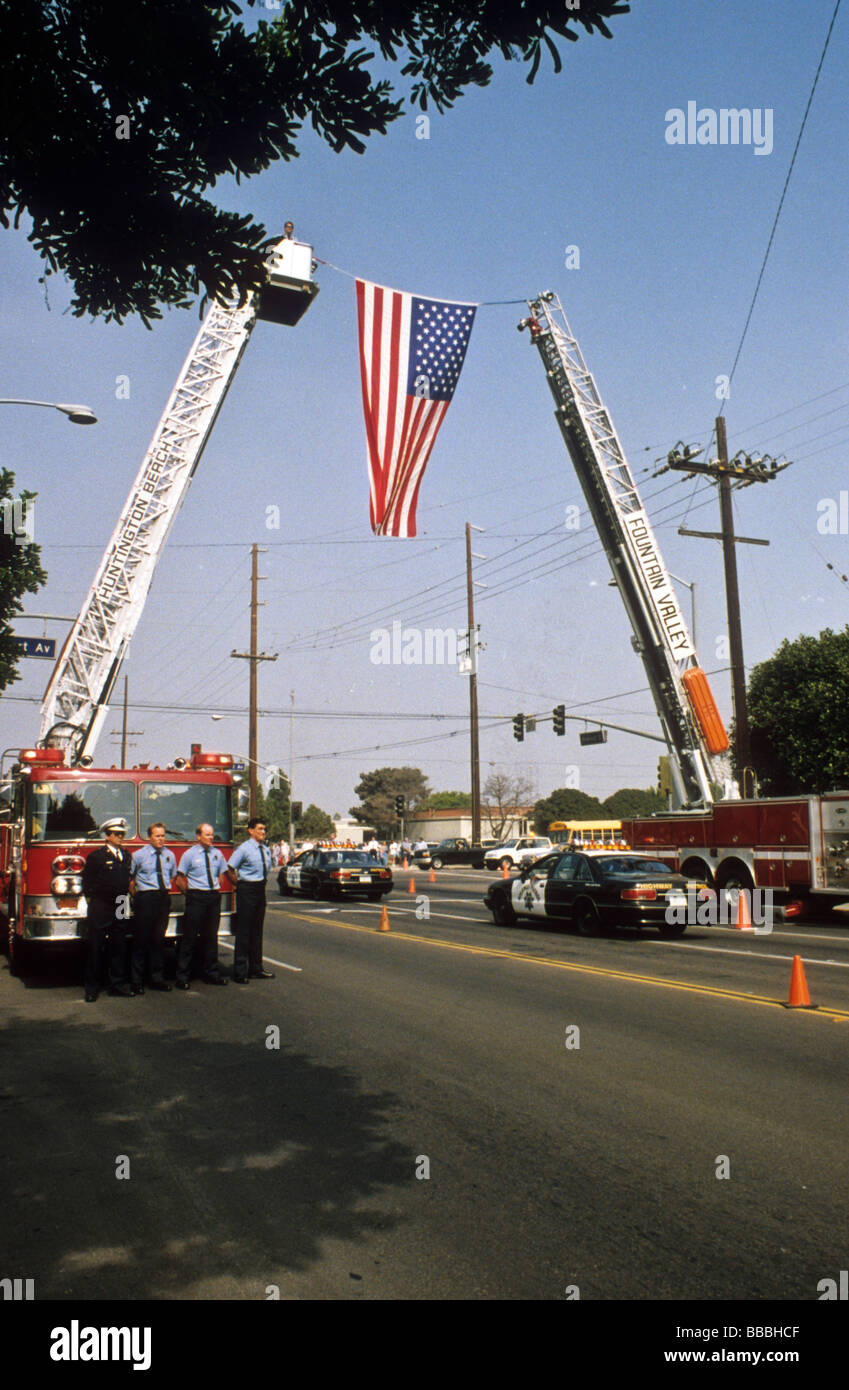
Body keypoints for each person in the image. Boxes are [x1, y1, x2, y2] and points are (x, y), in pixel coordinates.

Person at [82, 817, 133, 1002]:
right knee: (95, 945)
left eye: (122, 834)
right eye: (117, 834)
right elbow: (87, 883)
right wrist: (92, 901)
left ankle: (117, 984)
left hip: (121, 901)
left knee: (119, 944)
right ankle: (92, 988)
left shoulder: (126, 855)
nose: (120, 837)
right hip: (101, 903)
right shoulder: (96, 857)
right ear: (108, 836)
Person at [174, 824, 230, 989]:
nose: (211, 838)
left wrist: (216, 882)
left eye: (212, 835)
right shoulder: (189, 854)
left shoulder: (217, 854)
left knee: (211, 937)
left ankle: (212, 973)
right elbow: (179, 879)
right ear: (198, 836)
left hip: (213, 898)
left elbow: (222, 872)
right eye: (207, 835)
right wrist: (190, 895)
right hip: (196, 897)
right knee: (189, 938)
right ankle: (182, 976)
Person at [129, 822, 177, 993]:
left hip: (163, 899)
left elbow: (172, 876)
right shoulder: (138, 855)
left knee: (158, 941)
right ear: (150, 837)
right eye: (157, 836)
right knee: (140, 941)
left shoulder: (170, 855)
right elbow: (130, 879)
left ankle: (156, 979)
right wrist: (138, 897)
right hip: (145, 899)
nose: (161, 839)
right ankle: (137, 982)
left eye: (163, 835)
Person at [227, 818, 275, 984]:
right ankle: (240, 971)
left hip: (260, 889)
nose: (263, 832)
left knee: (257, 930)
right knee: (244, 931)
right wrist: (238, 885)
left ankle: (256, 968)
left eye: (264, 829)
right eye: (260, 829)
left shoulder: (265, 849)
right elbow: (230, 868)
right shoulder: (244, 849)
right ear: (251, 830)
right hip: (247, 889)